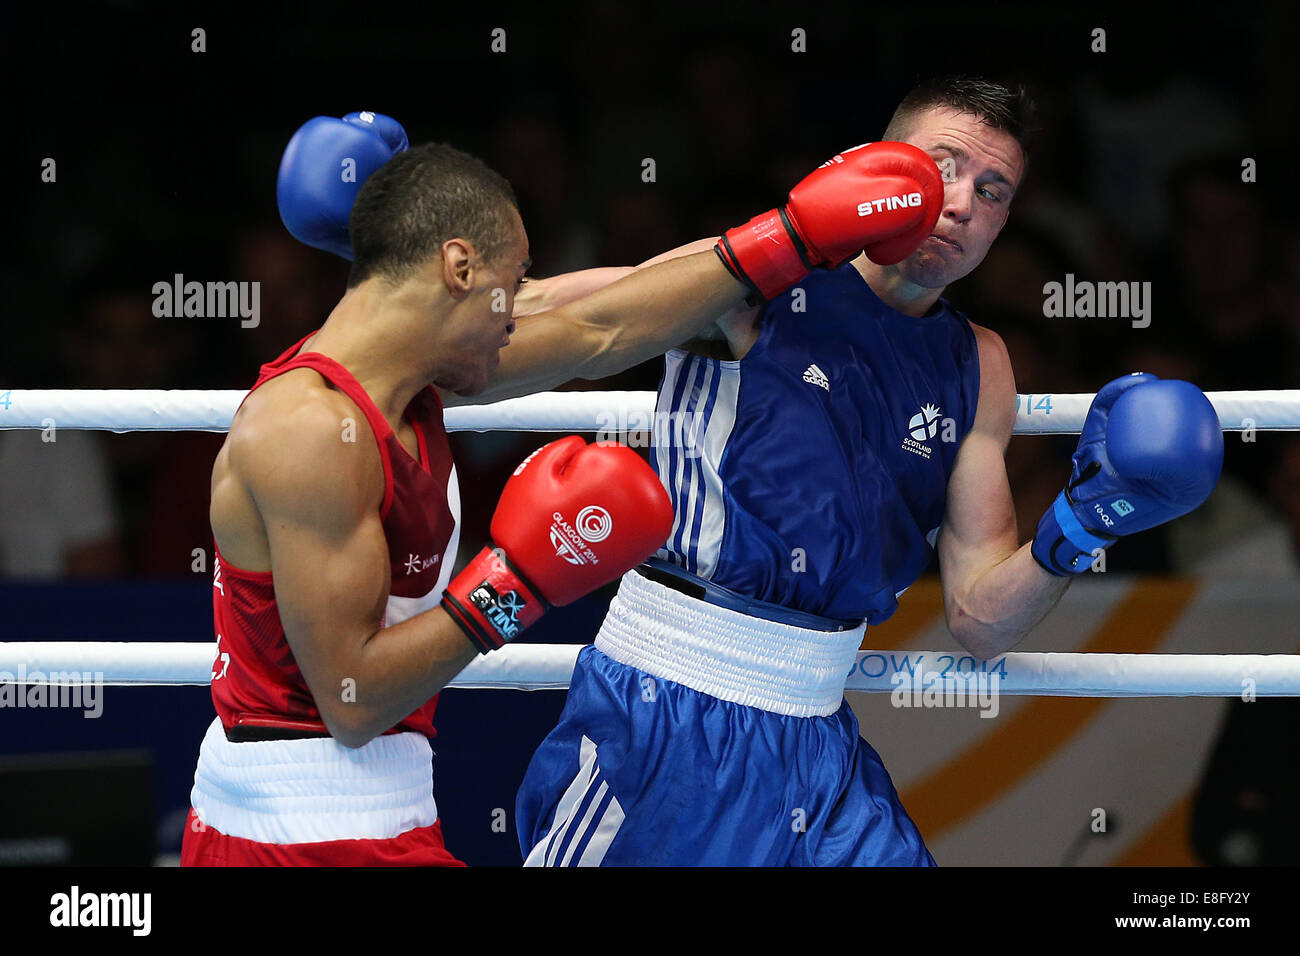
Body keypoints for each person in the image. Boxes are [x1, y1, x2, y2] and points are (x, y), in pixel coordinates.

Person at [180, 111, 944, 865]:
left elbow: (600, 321)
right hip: (296, 827)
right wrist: (519, 581)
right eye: (511, 290)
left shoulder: (410, 382)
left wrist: (791, 238)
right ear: (457, 269)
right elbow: (353, 698)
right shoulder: (311, 432)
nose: (520, 315)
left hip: (378, 803)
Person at [514, 76, 1226, 866]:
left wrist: (1084, 523)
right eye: (943, 166)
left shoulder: (979, 364)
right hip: (670, 711)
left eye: (991, 191)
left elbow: (983, 619)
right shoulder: (760, 272)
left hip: (819, 738)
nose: (961, 203)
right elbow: (551, 313)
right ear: (880, 168)